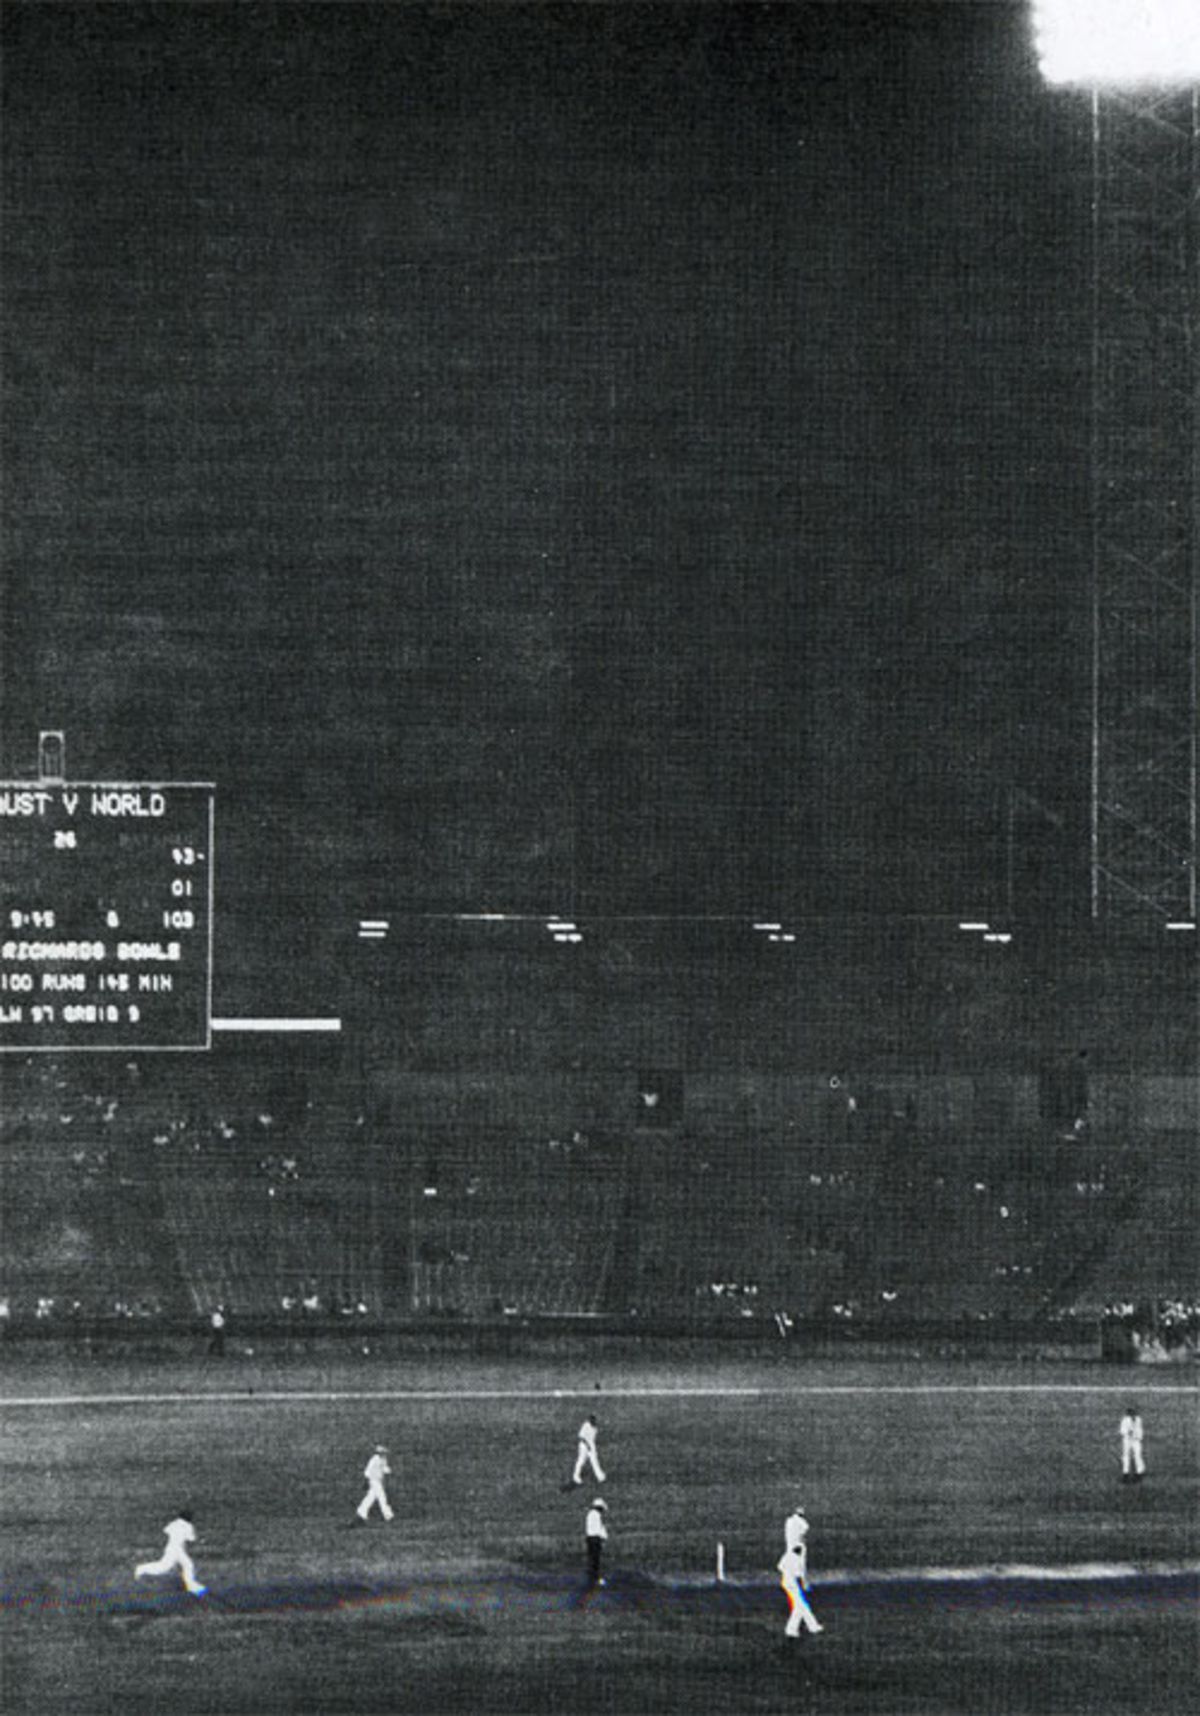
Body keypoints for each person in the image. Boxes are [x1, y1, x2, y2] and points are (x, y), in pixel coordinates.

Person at [135, 1509, 207, 1595]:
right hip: (177, 1550)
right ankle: (141, 1569)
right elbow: (192, 1539)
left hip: (172, 1548)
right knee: (169, 1566)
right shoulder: (188, 1526)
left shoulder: (175, 1523)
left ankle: (191, 1585)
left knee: (184, 1565)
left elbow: (166, 1530)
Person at [777, 1539, 823, 1639]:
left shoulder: (787, 1556)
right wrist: (804, 1587)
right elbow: (799, 1576)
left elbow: (780, 1567)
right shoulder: (798, 1561)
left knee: (801, 1606)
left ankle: (811, 1626)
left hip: (786, 1583)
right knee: (801, 1606)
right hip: (793, 1585)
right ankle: (794, 1629)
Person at [357, 1444, 394, 1521]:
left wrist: (389, 1471)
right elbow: (367, 1471)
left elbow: (384, 1468)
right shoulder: (374, 1460)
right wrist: (367, 1480)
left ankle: (361, 1511)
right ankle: (388, 1515)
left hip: (379, 1481)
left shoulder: (383, 1459)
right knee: (382, 1497)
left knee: (370, 1497)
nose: (384, 1453)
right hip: (374, 1481)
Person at [572, 1415, 606, 1486]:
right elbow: (581, 1438)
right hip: (584, 1446)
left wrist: (591, 1446)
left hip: (591, 1446)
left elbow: (592, 1438)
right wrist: (588, 1446)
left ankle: (600, 1477)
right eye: (591, 1421)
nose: (593, 1422)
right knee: (581, 1461)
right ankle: (576, 1477)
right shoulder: (585, 1426)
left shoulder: (595, 1428)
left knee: (594, 1461)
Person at [585, 1497, 608, 1586]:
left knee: (592, 1559)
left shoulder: (591, 1514)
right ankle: (595, 1578)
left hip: (590, 1538)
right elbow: (599, 1529)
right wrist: (603, 1538)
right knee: (595, 1559)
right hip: (595, 1539)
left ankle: (592, 1577)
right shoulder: (596, 1515)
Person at [1119, 1404, 1145, 1481]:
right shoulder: (1125, 1420)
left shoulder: (1139, 1420)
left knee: (1137, 1455)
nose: (1133, 1414)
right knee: (1126, 1456)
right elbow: (1122, 1431)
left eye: (1134, 1413)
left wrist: (1138, 1437)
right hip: (1127, 1440)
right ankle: (1125, 1473)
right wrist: (1127, 1432)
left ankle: (1139, 1473)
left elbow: (1140, 1430)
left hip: (1136, 1440)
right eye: (1131, 1413)